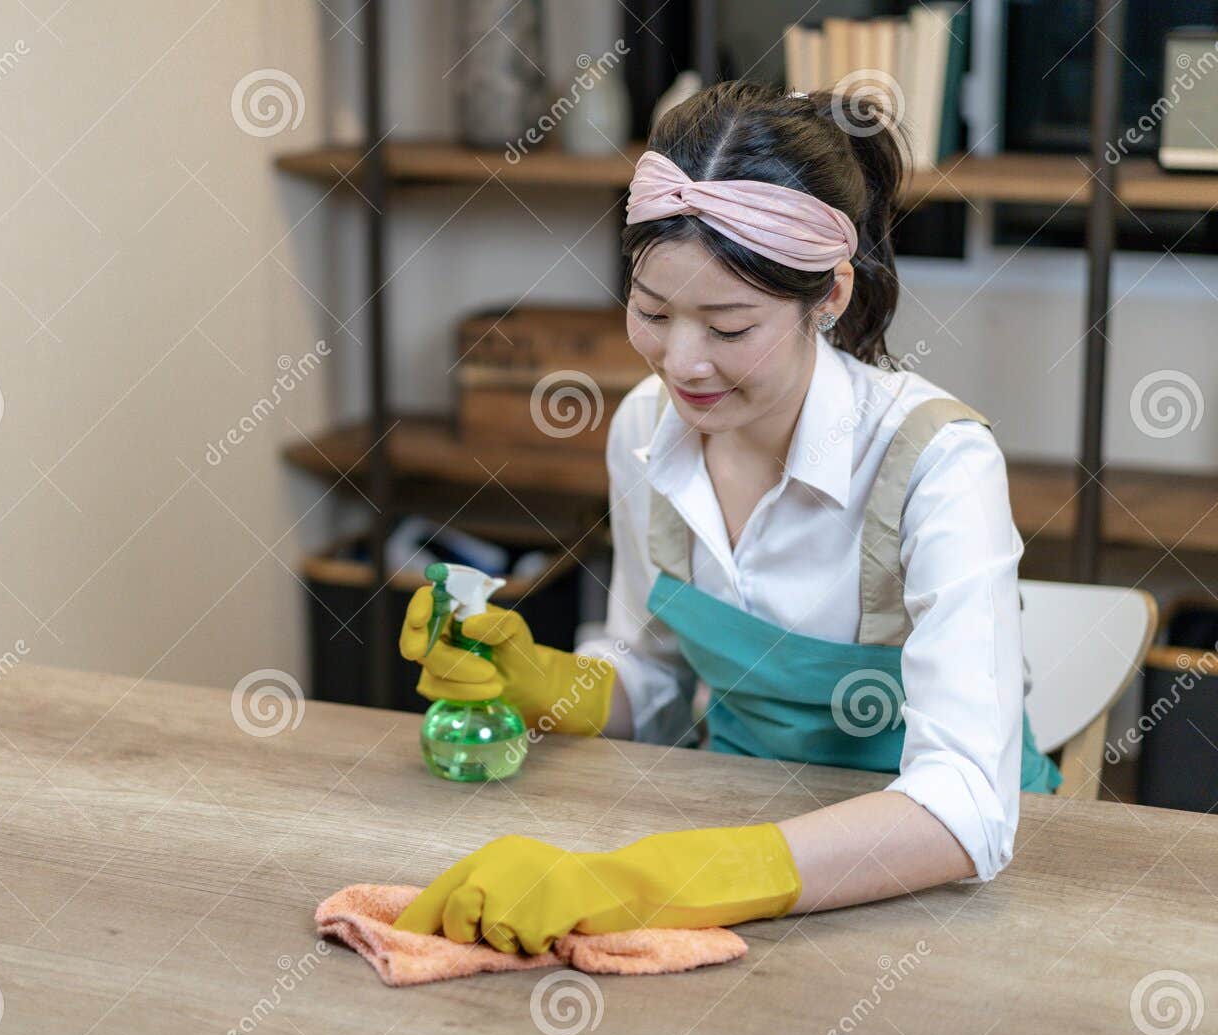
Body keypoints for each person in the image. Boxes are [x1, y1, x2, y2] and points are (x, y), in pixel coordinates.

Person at [391, 80, 1059, 956]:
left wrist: (653, 884)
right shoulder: (645, 427)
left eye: (730, 326)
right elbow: (658, 680)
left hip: (927, 890)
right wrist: (545, 683)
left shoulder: (938, 465)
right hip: (728, 831)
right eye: (652, 312)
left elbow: (967, 807)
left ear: (828, 296)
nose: (682, 362)